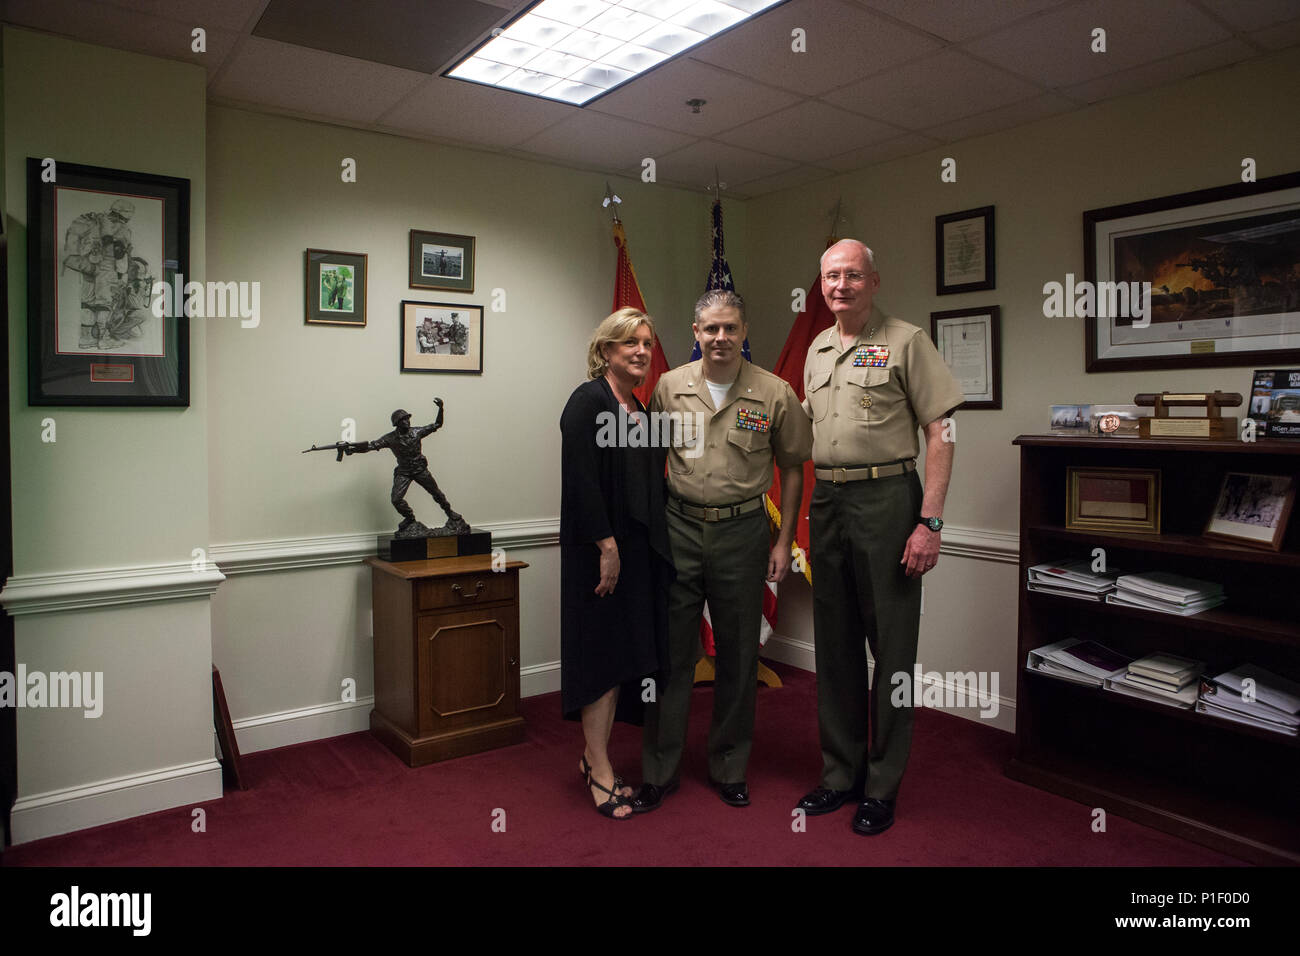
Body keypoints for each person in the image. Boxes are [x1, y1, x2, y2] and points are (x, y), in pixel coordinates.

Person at [795, 239, 963, 836]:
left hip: (889, 498)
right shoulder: (816, 350)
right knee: (835, 646)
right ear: (821, 285)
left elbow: (942, 435)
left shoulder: (907, 341)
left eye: (852, 275)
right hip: (829, 499)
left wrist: (930, 521)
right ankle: (840, 774)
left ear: (875, 281)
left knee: (891, 648)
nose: (840, 285)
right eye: (831, 276)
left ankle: (882, 783)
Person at [632, 290, 811, 812]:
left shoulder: (774, 393)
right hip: (679, 528)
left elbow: (794, 466)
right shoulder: (667, 387)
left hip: (743, 533)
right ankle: (660, 771)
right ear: (695, 332)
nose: (720, 338)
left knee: (738, 653)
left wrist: (785, 541)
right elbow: (651, 459)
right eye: (710, 329)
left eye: (730, 328)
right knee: (672, 656)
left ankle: (730, 764)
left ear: (744, 330)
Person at [559, 308, 674, 819]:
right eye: (630, 343)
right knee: (601, 660)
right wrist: (607, 547)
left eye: (648, 343)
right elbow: (581, 482)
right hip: (599, 554)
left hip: (637, 556)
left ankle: (593, 756)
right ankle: (600, 770)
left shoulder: (641, 410)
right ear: (606, 350)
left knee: (625, 657)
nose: (642, 352)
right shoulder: (588, 402)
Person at [344, 402, 469, 536]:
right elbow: (371, 446)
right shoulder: (390, 438)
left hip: (420, 469)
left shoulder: (417, 432)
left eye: (407, 418)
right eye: (403, 420)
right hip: (404, 472)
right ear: (397, 423)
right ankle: (410, 518)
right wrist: (353, 449)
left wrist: (441, 409)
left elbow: (437, 424)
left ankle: (450, 513)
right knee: (396, 500)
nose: (407, 421)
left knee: (436, 493)